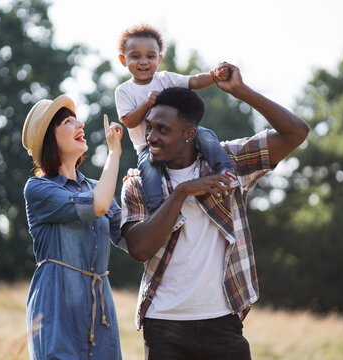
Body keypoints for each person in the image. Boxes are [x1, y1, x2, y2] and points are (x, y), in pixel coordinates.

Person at [120, 63, 310, 359]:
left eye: (163, 130)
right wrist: (183, 192)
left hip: (224, 323)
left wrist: (241, 91)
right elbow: (139, 248)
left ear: (189, 133)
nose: (151, 138)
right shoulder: (138, 183)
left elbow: (296, 132)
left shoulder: (228, 163)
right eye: (149, 128)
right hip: (164, 325)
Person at [22, 94, 125, 359]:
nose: (80, 125)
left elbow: (131, 237)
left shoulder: (94, 187)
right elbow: (98, 206)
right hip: (56, 310)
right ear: (49, 139)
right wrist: (114, 153)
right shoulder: (38, 188)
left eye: (76, 119)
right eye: (68, 122)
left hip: (100, 314)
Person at [115, 24, 238, 218]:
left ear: (159, 58)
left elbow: (194, 81)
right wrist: (146, 103)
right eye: (135, 56)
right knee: (149, 171)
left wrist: (214, 76)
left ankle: (226, 170)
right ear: (123, 60)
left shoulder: (165, 79)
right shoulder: (124, 90)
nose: (144, 62)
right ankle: (158, 211)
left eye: (150, 56)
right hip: (148, 146)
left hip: (179, 138)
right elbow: (129, 121)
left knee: (206, 136)